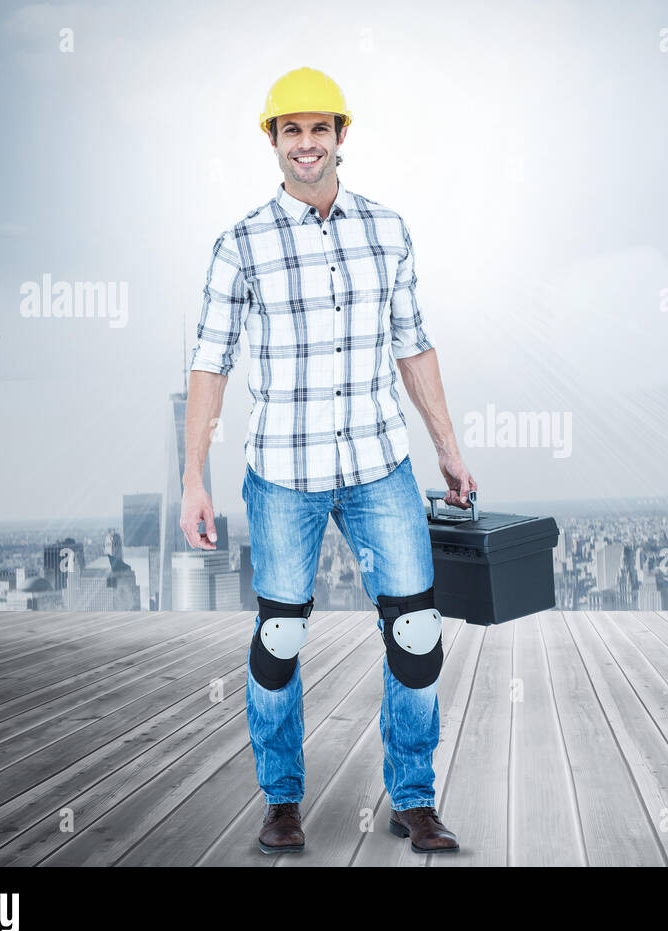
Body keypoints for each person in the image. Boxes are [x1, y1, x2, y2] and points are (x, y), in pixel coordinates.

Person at [180, 66, 477, 855]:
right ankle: (281, 801)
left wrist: (447, 449)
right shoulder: (239, 244)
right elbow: (209, 365)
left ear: (341, 136)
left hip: (381, 465)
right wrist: (192, 481)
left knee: (415, 632)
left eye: (319, 129)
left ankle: (413, 799)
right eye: (290, 131)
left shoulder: (388, 230)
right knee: (279, 640)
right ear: (272, 142)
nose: (306, 145)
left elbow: (413, 344)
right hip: (283, 474)